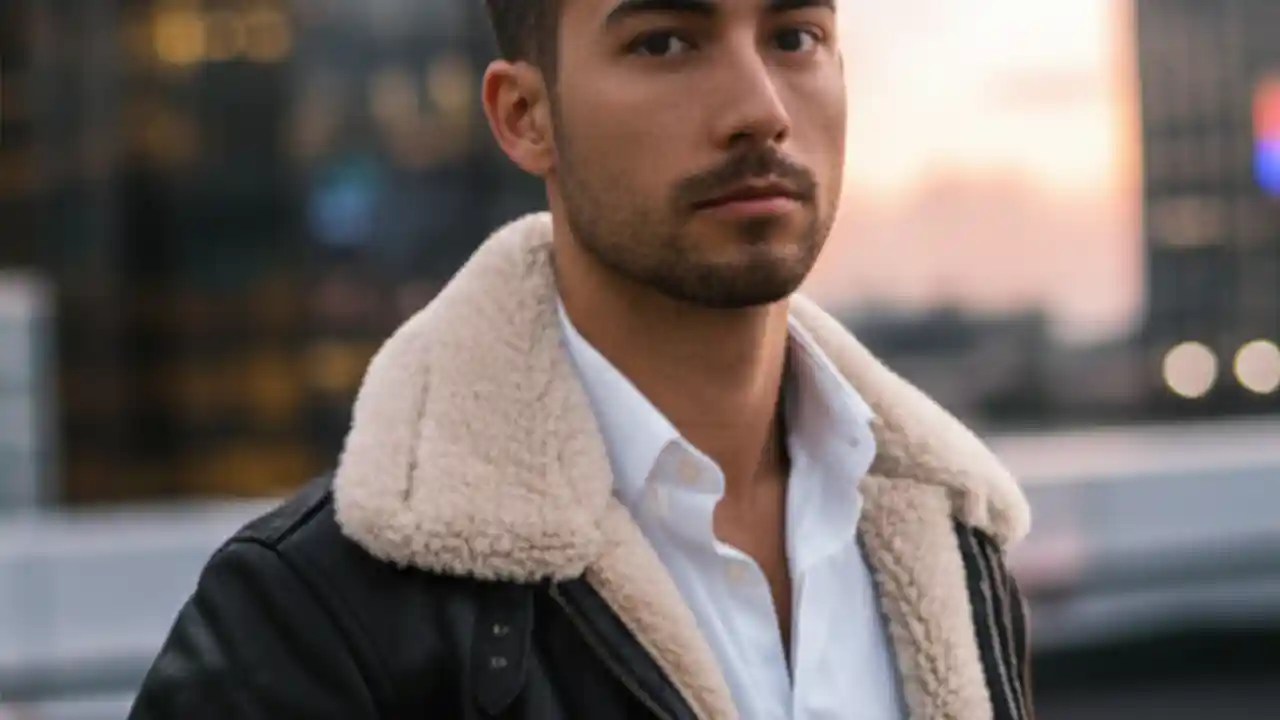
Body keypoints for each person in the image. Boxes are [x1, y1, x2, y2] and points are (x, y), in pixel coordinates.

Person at [130, 0, 1034, 718]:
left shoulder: (951, 547)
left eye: (795, 35)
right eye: (665, 42)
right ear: (525, 117)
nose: (760, 109)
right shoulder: (313, 617)